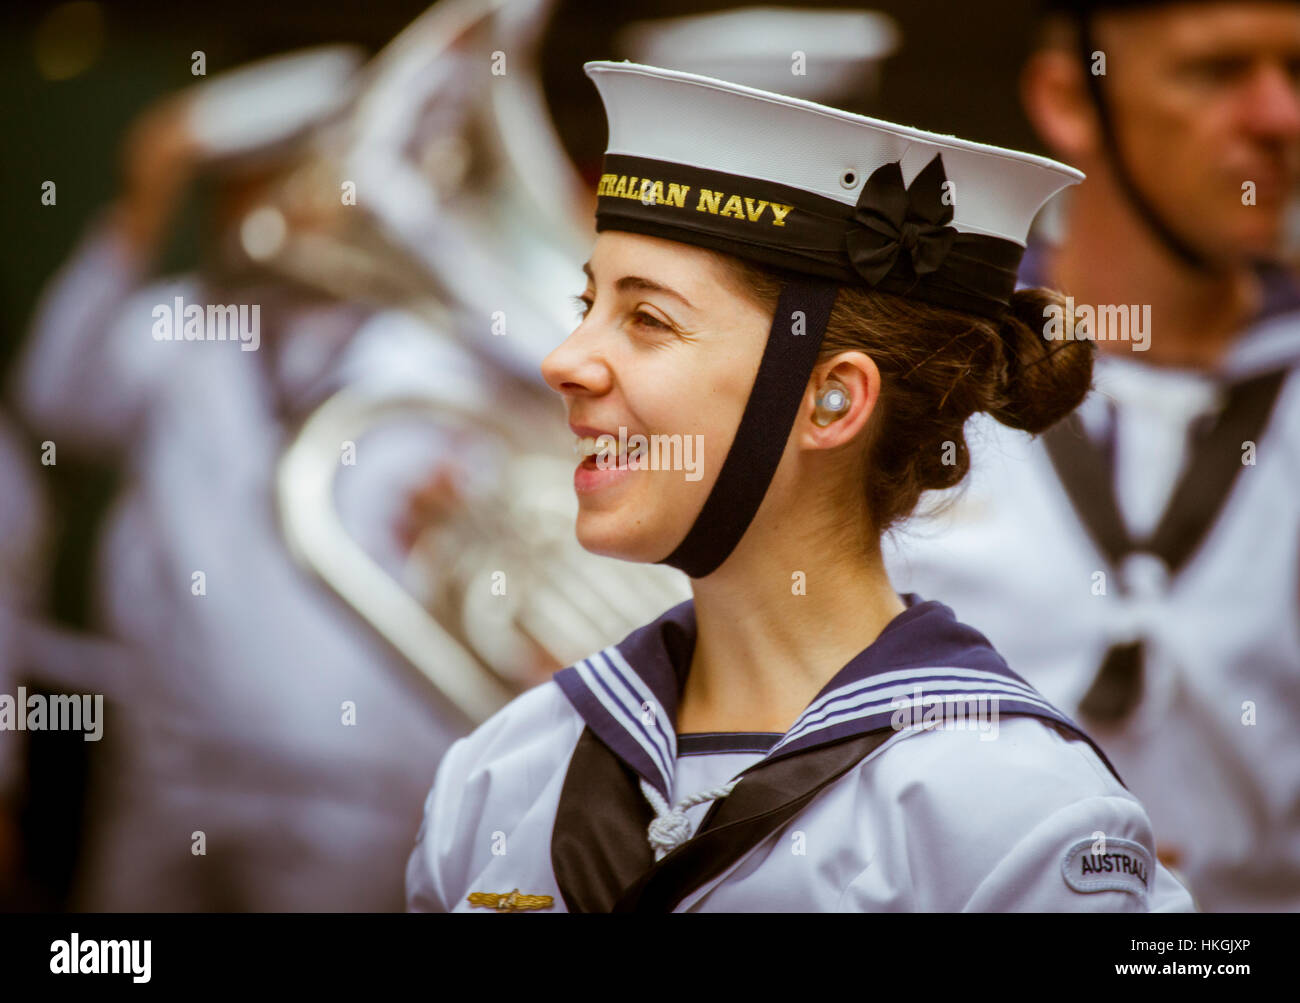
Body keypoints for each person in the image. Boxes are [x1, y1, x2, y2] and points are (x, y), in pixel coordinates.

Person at [405, 60, 1197, 912]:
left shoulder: (1020, 816)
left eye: (648, 319)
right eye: (587, 302)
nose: (561, 361)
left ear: (831, 399)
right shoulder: (495, 775)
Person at [883, 0, 1300, 911]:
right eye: (1217, 71)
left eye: (1296, 73)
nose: (1280, 118)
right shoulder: (913, 374)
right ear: (1071, 99)